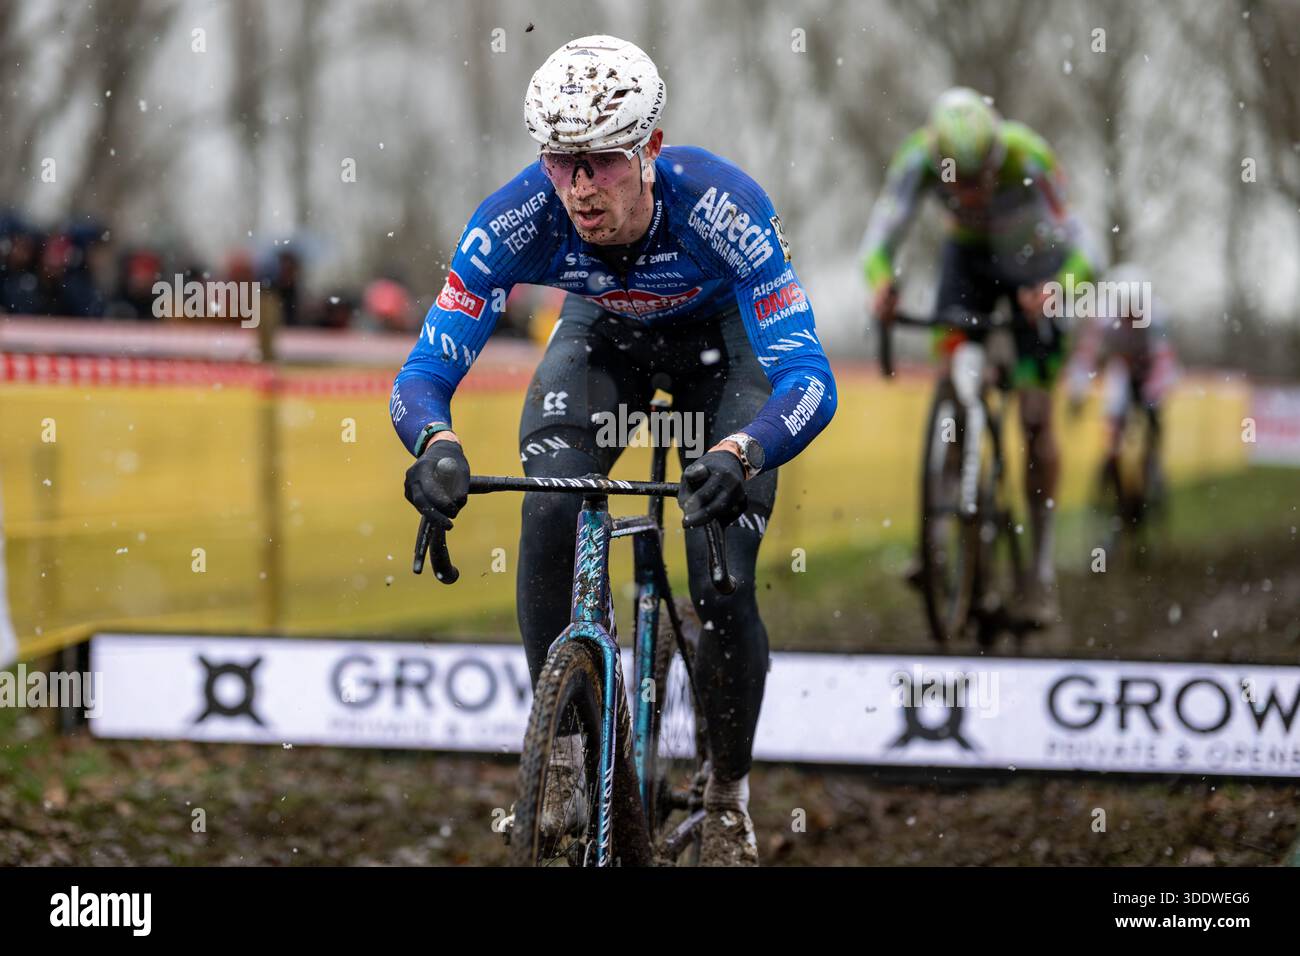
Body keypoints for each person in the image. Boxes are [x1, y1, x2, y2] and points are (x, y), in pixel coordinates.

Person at [392, 35, 836, 865]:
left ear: (650, 150)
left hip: (725, 356)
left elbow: (811, 377)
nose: (581, 188)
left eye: (601, 162)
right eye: (562, 163)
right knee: (552, 498)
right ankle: (560, 757)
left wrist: (743, 451)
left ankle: (728, 797)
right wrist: (436, 442)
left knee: (721, 576)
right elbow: (423, 370)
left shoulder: (720, 206)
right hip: (607, 343)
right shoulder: (517, 215)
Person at [860, 87, 1098, 626]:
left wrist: (1059, 288)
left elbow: (1088, 251)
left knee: (1036, 418)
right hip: (967, 264)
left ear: (997, 158)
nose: (970, 194)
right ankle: (939, 535)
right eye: (957, 184)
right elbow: (878, 239)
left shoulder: (1027, 156)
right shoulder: (916, 159)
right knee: (956, 384)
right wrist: (880, 285)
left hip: (1036, 264)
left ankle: (1038, 574)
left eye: (981, 179)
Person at [1064, 263, 1178, 508]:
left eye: (1135, 308)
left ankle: (1151, 468)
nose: (1129, 314)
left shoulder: (1156, 318)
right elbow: (1085, 357)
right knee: (1114, 421)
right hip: (1123, 369)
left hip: (1148, 370)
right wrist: (1077, 391)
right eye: (1125, 308)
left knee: (1152, 418)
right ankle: (1113, 473)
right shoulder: (1102, 318)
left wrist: (1151, 398)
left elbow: (1164, 363)